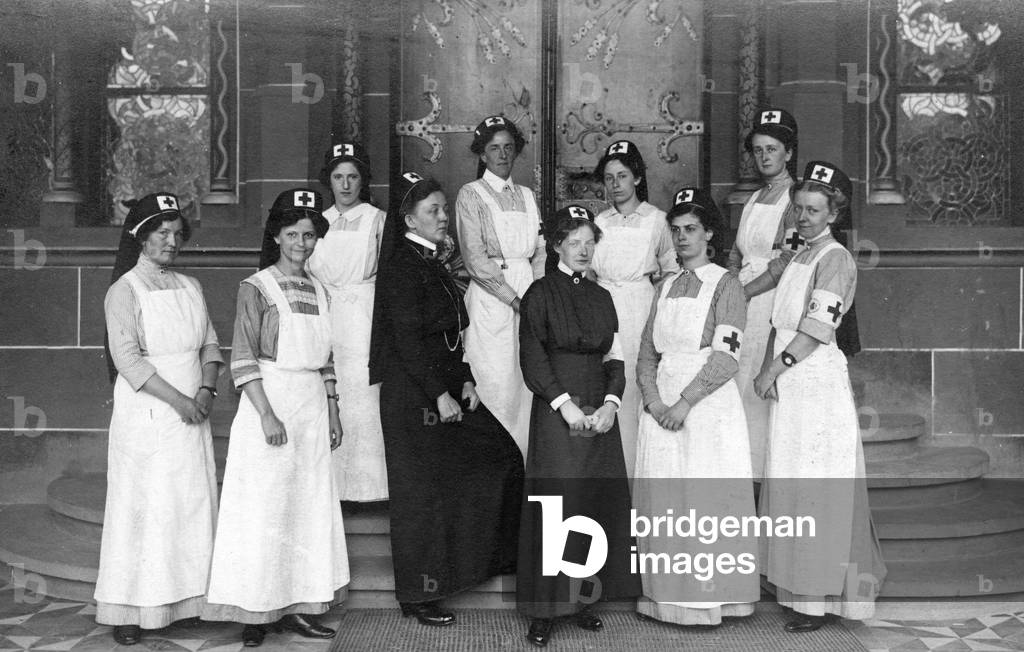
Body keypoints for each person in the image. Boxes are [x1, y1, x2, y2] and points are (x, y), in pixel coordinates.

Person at [369, 172, 524, 627]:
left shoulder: (432, 263)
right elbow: (408, 342)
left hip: (444, 388)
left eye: (443, 208)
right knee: (420, 496)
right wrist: (440, 394)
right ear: (409, 217)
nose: (443, 217)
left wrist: (468, 381)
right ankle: (417, 596)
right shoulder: (401, 267)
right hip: (412, 395)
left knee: (502, 457)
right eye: (433, 210)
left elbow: (450, 337)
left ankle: (485, 563)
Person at [204, 189, 348, 647]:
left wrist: (333, 407)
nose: (301, 244)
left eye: (309, 235)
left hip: (309, 404)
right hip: (270, 401)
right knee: (264, 509)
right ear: (277, 235)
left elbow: (326, 358)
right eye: (292, 234)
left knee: (306, 509)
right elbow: (243, 359)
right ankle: (256, 613)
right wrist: (266, 414)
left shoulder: (321, 290)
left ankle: (301, 607)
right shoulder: (257, 287)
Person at [754, 162, 886, 632]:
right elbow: (769, 286)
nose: (803, 217)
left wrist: (773, 368)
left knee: (816, 487)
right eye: (799, 209)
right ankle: (798, 589)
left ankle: (817, 600)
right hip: (795, 379)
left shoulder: (836, 259)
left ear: (834, 213)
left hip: (816, 378)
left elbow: (817, 327)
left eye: (813, 210)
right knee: (792, 483)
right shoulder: (801, 254)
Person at [97, 193, 223, 647]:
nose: (170, 241)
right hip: (150, 412)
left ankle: (184, 602)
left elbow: (210, 344)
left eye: (176, 233)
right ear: (141, 237)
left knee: (186, 505)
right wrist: (180, 401)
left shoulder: (191, 287)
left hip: (193, 410)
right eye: (161, 233)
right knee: (144, 509)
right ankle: (132, 609)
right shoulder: (124, 290)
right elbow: (128, 361)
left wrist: (205, 391)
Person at [516, 205, 641, 648]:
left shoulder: (603, 297)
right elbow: (532, 358)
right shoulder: (539, 293)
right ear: (556, 246)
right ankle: (546, 609)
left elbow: (616, 356)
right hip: (559, 409)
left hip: (599, 409)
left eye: (590, 242)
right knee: (558, 500)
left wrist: (610, 404)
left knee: (591, 500)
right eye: (574, 242)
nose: (584, 250)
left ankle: (584, 599)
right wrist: (565, 406)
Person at [633, 187, 758, 626]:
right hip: (662, 403)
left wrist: (684, 404)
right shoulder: (665, 285)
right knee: (666, 500)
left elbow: (726, 357)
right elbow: (647, 351)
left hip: (706, 407)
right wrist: (653, 401)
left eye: (691, 229)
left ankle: (710, 600)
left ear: (709, 234)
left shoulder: (727, 284)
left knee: (702, 500)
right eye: (676, 230)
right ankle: (666, 598)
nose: (682, 237)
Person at [456, 115, 546, 459]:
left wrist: (535, 295)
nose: (502, 154)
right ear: (482, 154)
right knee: (494, 379)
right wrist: (514, 299)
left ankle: (524, 467)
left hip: (526, 291)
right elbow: (476, 258)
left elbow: (539, 250)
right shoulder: (471, 195)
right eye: (494, 148)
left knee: (525, 379)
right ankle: (492, 470)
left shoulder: (526, 194)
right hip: (493, 296)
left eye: (509, 147)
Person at [590, 140, 678, 478]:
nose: (615, 184)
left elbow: (670, 270)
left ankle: (638, 478)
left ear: (637, 178)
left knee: (636, 383)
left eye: (622, 175)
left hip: (641, 309)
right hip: (604, 307)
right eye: (609, 177)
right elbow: (590, 270)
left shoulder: (657, 220)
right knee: (606, 385)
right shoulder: (599, 222)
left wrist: (655, 307)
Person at [307, 141, 388, 501]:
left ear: (362, 180)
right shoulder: (316, 223)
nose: (345, 185)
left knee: (363, 393)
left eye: (352, 176)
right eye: (338, 177)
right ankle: (335, 488)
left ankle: (370, 488)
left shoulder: (376, 219)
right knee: (331, 387)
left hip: (364, 313)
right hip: (327, 312)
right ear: (329, 179)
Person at [728, 108, 804, 481]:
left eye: (772, 149)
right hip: (742, 295)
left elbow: (787, 260)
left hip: (770, 299)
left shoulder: (796, 200)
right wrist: (727, 289)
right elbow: (737, 253)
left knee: (758, 378)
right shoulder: (755, 197)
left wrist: (746, 292)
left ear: (788, 153)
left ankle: (761, 477)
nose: (764, 157)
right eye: (758, 150)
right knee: (736, 379)